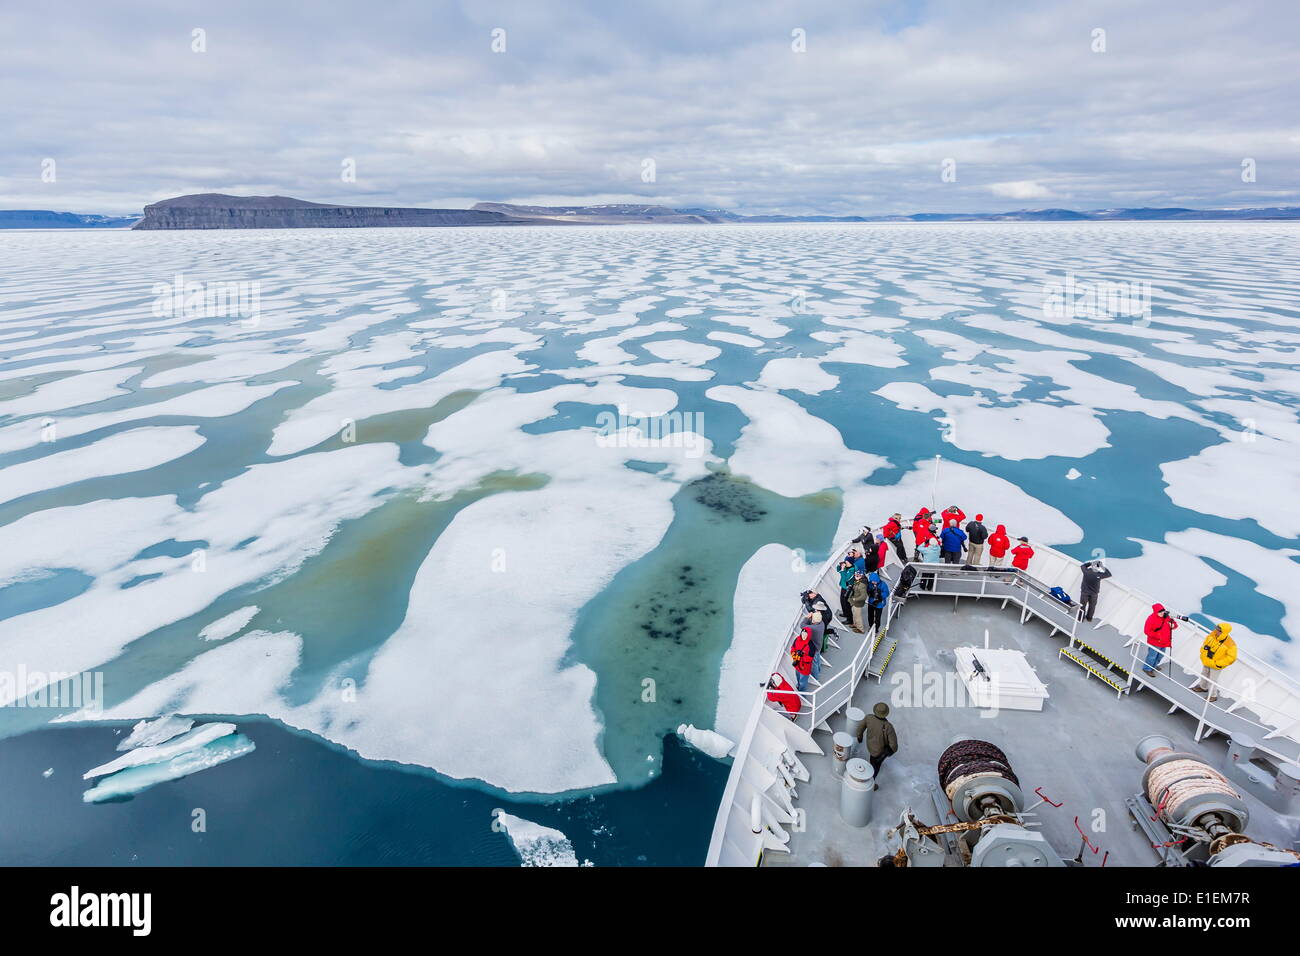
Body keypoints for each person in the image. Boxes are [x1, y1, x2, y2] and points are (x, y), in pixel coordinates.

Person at [1190, 622, 1236, 702]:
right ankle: (1203, 687)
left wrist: (1218, 664)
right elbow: (1205, 644)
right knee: (1204, 674)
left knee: (1212, 680)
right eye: (1217, 628)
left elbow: (1231, 658)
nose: (1216, 630)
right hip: (1207, 660)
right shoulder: (1212, 635)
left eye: (1219, 630)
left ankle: (1213, 695)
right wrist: (1203, 653)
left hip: (1216, 665)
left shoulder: (1231, 644)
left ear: (1224, 632)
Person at [857, 702, 898, 786]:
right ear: (886, 713)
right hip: (880, 752)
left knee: (872, 758)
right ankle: (870, 784)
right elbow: (894, 745)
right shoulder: (888, 726)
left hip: (870, 746)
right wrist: (887, 753)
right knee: (875, 767)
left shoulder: (868, 718)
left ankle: (872, 764)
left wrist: (859, 737)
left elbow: (860, 728)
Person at [1142, 602, 1180, 675]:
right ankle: (1147, 668)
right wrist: (1158, 636)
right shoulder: (1151, 618)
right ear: (1155, 612)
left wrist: (1173, 625)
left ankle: (1153, 666)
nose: (1162, 613)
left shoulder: (1167, 617)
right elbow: (1147, 631)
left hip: (1164, 642)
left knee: (1160, 656)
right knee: (1152, 656)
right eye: (1160, 612)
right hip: (1155, 642)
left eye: (1163, 611)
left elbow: (1175, 625)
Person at [791, 626, 815, 692]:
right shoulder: (797, 639)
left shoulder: (811, 645)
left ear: (808, 635)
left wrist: (802, 657)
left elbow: (810, 658)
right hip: (797, 665)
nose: (803, 636)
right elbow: (792, 649)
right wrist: (795, 656)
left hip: (804, 668)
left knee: (803, 682)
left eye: (805, 634)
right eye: (802, 634)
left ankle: (802, 693)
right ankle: (798, 686)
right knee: (798, 677)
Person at [837, 556, 857, 625]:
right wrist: (840, 566)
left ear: (850, 562)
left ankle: (850, 620)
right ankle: (845, 613)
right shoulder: (847, 567)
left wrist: (843, 570)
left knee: (847, 604)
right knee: (842, 601)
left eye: (846, 561)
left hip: (848, 589)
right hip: (844, 587)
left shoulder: (852, 570)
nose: (845, 562)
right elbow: (838, 570)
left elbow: (846, 579)